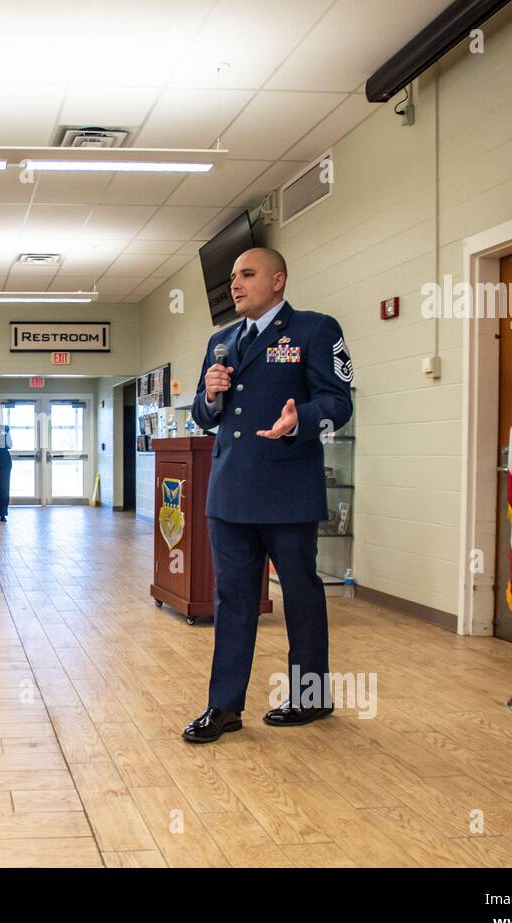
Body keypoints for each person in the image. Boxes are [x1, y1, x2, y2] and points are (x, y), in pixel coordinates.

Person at [182, 247, 353, 744]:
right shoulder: (222, 341)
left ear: (278, 280)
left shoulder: (315, 330)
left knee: (300, 594)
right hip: (230, 492)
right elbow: (203, 414)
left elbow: (339, 404)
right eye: (233, 277)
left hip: (286, 490)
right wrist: (210, 394)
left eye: (247, 275)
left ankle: (310, 696)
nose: (235, 284)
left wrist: (300, 417)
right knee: (233, 600)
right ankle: (225, 706)